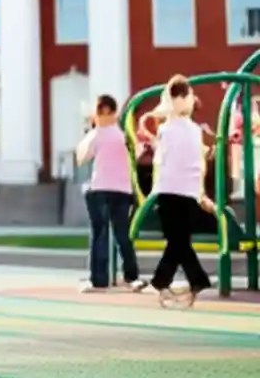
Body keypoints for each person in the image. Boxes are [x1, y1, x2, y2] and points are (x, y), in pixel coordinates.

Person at [149, 76, 214, 308]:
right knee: (179, 241)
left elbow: (161, 161)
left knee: (177, 241)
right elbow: (193, 163)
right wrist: (200, 191)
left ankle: (164, 281)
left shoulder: (176, 130)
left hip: (174, 191)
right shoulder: (179, 130)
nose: (191, 100)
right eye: (188, 96)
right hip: (181, 191)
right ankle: (195, 281)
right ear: (178, 98)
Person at [75, 94, 146, 293]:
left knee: (99, 234)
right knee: (123, 234)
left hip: (100, 188)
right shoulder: (124, 135)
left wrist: (87, 132)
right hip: (122, 190)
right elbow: (138, 153)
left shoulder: (96, 134)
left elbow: (81, 158)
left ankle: (99, 279)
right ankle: (132, 276)